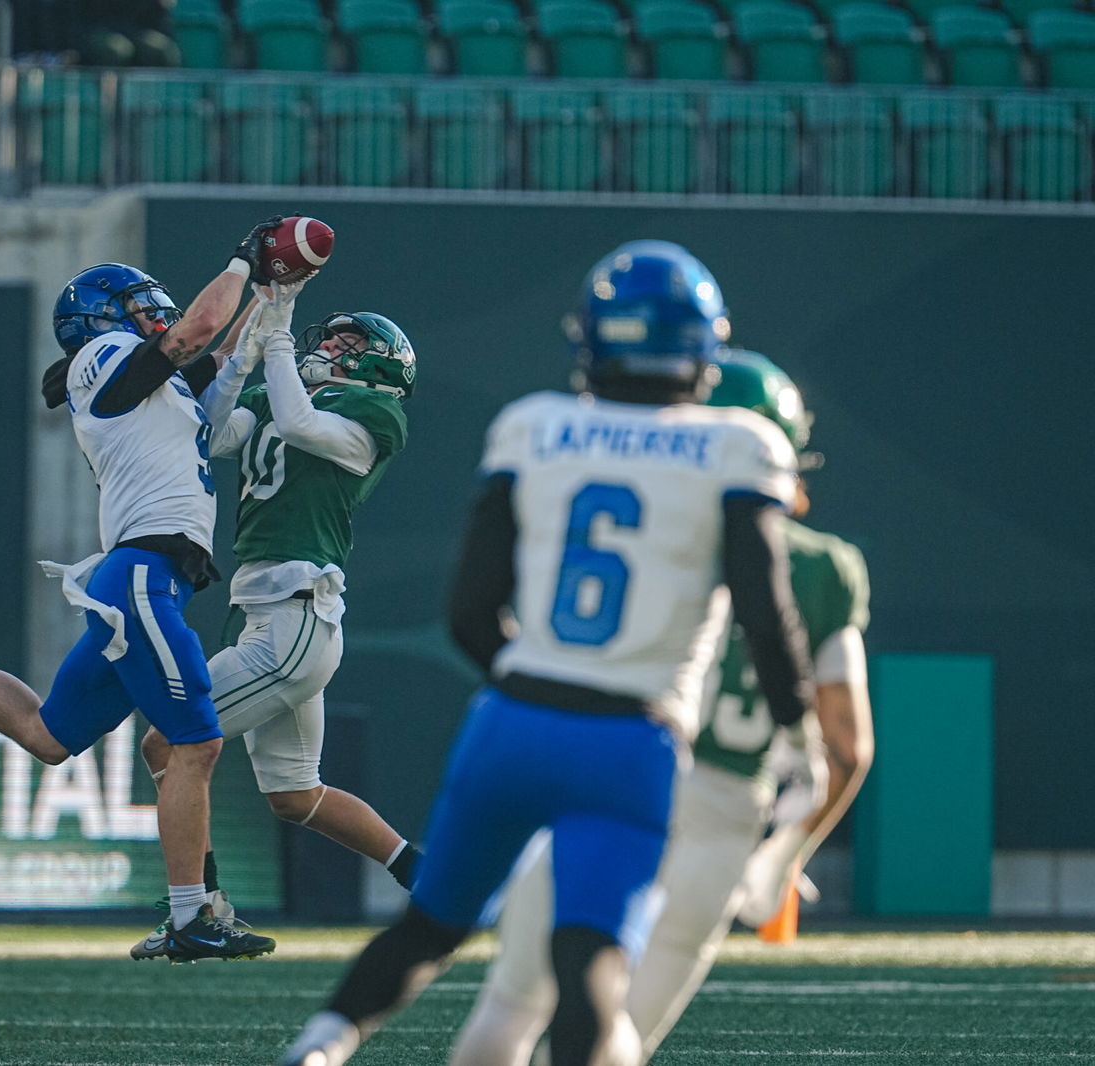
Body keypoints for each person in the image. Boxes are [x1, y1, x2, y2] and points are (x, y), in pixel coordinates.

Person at [278, 240, 819, 1066]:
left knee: (430, 927)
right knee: (588, 960)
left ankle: (321, 1044)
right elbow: (765, 611)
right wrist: (797, 735)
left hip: (516, 718)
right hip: (631, 741)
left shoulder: (535, 426)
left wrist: (534, 687)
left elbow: (467, 611)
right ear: (701, 348)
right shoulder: (737, 446)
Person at [0, 218, 286, 963]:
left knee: (49, 736)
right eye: (139, 309)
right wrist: (239, 256)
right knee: (193, 743)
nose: (154, 318)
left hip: (136, 581)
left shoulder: (146, 388)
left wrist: (273, 293)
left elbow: (220, 355)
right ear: (100, 321)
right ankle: (189, 916)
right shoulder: (100, 361)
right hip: (142, 578)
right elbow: (201, 329)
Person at [445, 349, 871, 1066]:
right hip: (727, 817)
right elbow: (848, 746)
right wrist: (784, 853)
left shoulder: (649, 514)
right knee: (617, 1033)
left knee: (514, 1006)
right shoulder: (825, 567)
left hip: (621, 772)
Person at [128, 287, 425, 960]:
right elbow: (210, 430)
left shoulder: (371, 412)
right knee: (295, 795)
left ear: (381, 368)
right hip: (268, 619)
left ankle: (198, 910)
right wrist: (242, 361)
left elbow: (299, 426)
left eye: (347, 345)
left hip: (296, 621)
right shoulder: (284, 395)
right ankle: (429, 877)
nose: (329, 347)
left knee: (166, 744)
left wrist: (281, 337)